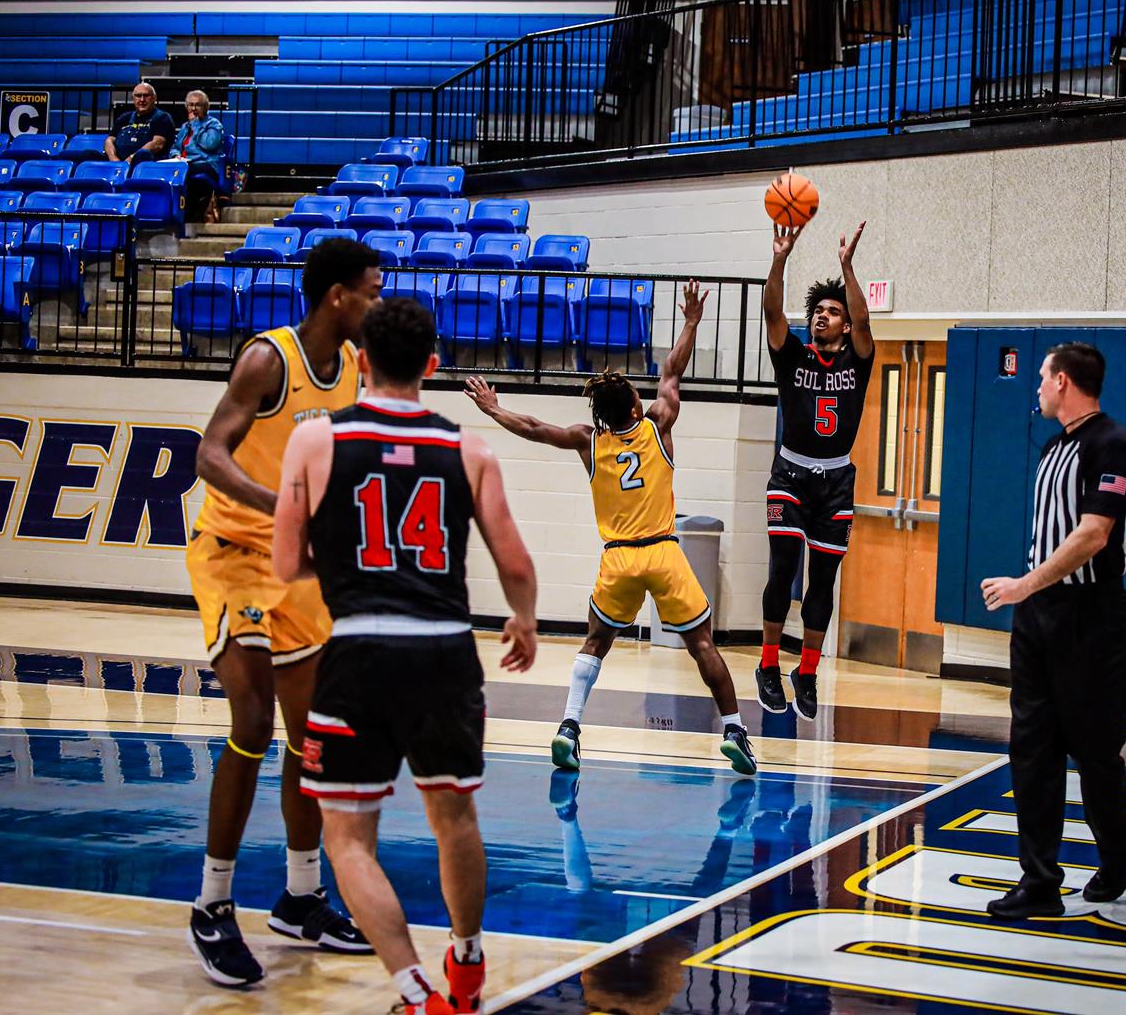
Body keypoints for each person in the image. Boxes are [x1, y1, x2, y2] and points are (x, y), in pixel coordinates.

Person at [274, 295, 539, 1015]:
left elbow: (287, 560)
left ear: (360, 360)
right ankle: (468, 960)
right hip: (446, 654)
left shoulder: (313, 441)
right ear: (431, 364)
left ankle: (414, 990)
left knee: (348, 836)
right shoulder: (469, 448)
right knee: (455, 818)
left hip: (358, 653)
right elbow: (514, 559)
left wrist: (348, 560)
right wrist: (524, 619)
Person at [184, 238, 382, 987]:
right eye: (370, 289)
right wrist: (283, 506)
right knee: (254, 721)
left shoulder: (354, 371)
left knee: (310, 736)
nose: (377, 300)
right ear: (337, 295)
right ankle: (211, 905)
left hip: (297, 566)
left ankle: (301, 898)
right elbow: (210, 453)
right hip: (233, 550)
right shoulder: (269, 359)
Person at [464, 281, 755, 776]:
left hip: (618, 557)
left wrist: (493, 408)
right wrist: (690, 321)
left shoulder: (587, 441)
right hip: (664, 553)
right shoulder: (658, 423)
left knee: (596, 643)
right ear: (637, 408)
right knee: (702, 643)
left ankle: (569, 727)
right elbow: (672, 371)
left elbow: (535, 427)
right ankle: (733, 730)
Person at [979, 342, 1126, 919]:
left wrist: (1025, 584)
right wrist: (1030, 599)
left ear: (1065, 381)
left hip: (1091, 619)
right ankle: (1040, 881)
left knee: (1095, 750)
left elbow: (1094, 534)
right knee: (1032, 747)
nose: (1039, 388)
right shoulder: (1054, 447)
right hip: (1038, 623)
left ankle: (1118, 847)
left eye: (1044, 377)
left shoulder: (1113, 445)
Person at [755, 220, 873, 721]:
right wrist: (780, 258)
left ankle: (806, 672)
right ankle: (767, 665)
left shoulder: (859, 358)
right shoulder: (793, 355)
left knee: (822, 582)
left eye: (832, 312)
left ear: (845, 326)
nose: (822, 316)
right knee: (783, 570)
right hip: (791, 471)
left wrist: (848, 269)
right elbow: (771, 309)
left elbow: (866, 323)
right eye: (819, 311)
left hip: (837, 479)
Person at [173, 90, 227, 224]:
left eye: (198, 105)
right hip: (184, 164)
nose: (194, 109)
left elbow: (210, 144)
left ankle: (186, 218)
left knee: (186, 175)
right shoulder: (185, 127)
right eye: (191, 105)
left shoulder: (213, 124)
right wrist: (176, 155)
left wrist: (196, 125)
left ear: (206, 107)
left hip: (207, 165)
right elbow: (175, 147)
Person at [105, 82, 175, 164]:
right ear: (133, 98)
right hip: (117, 162)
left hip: (145, 164)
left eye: (146, 96)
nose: (142, 100)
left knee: (142, 154)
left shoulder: (163, 117)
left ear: (154, 98)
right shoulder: (124, 118)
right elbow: (109, 140)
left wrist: (131, 159)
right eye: (138, 96)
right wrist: (113, 158)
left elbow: (157, 144)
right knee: (90, 154)